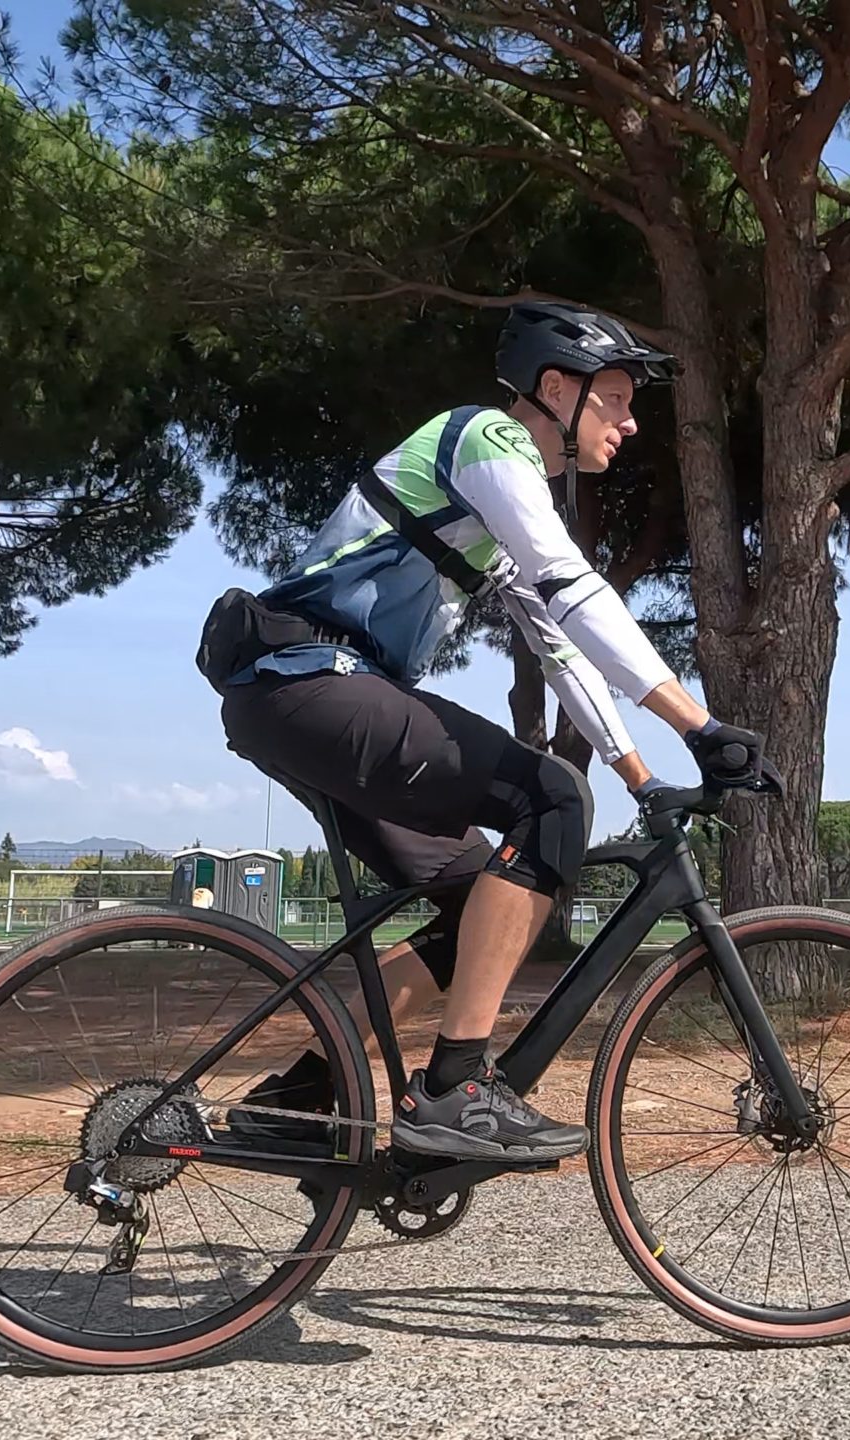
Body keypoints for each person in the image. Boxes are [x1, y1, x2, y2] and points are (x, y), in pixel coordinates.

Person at [202, 302, 775, 1163]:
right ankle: (456, 1088)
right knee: (549, 796)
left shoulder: (492, 500)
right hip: (311, 684)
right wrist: (700, 723)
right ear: (555, 389)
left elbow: (558, 644)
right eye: (615, 399)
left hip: (297, 699)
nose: (630, 422)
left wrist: (639, 772)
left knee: (476, 907)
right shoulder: (487, 442)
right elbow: (571, 585)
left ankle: (300, 1098)